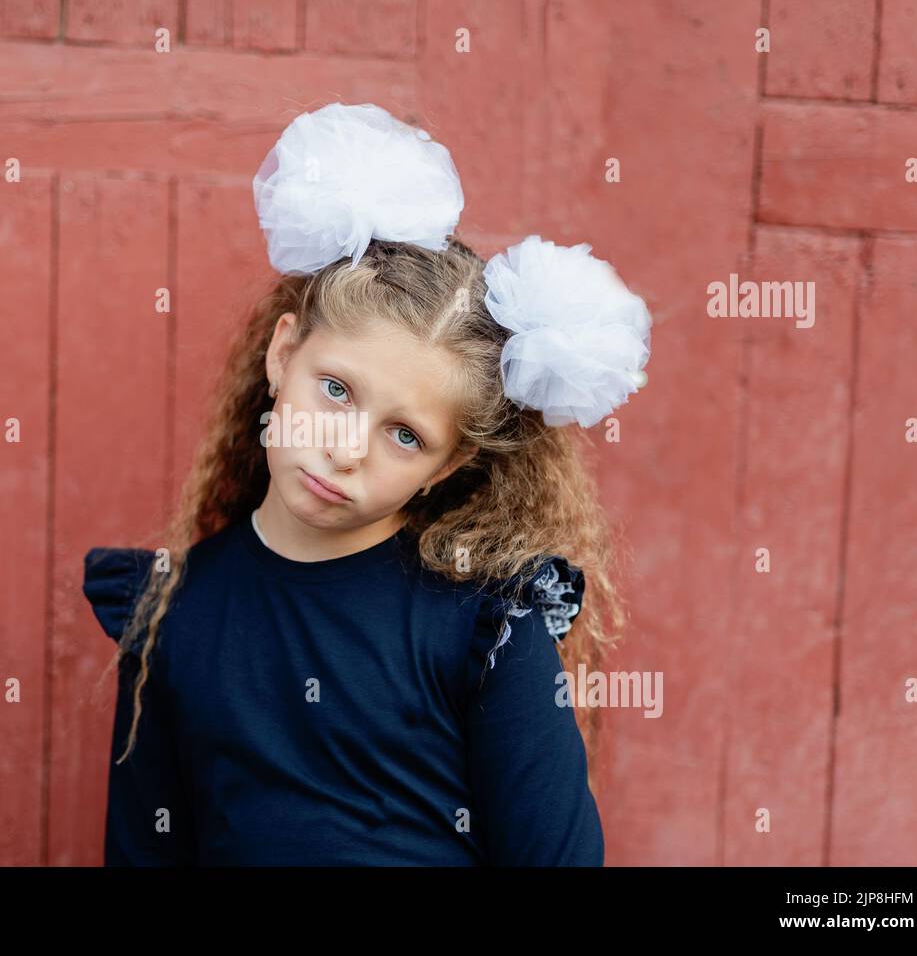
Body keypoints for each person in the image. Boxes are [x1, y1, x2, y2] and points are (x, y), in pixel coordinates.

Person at [83, 102, 652, 866]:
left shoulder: (483, 624)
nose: (347, 449)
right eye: (338, 390)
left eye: (405, 434)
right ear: (284, 353)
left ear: (446, 466)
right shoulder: (173, 614)